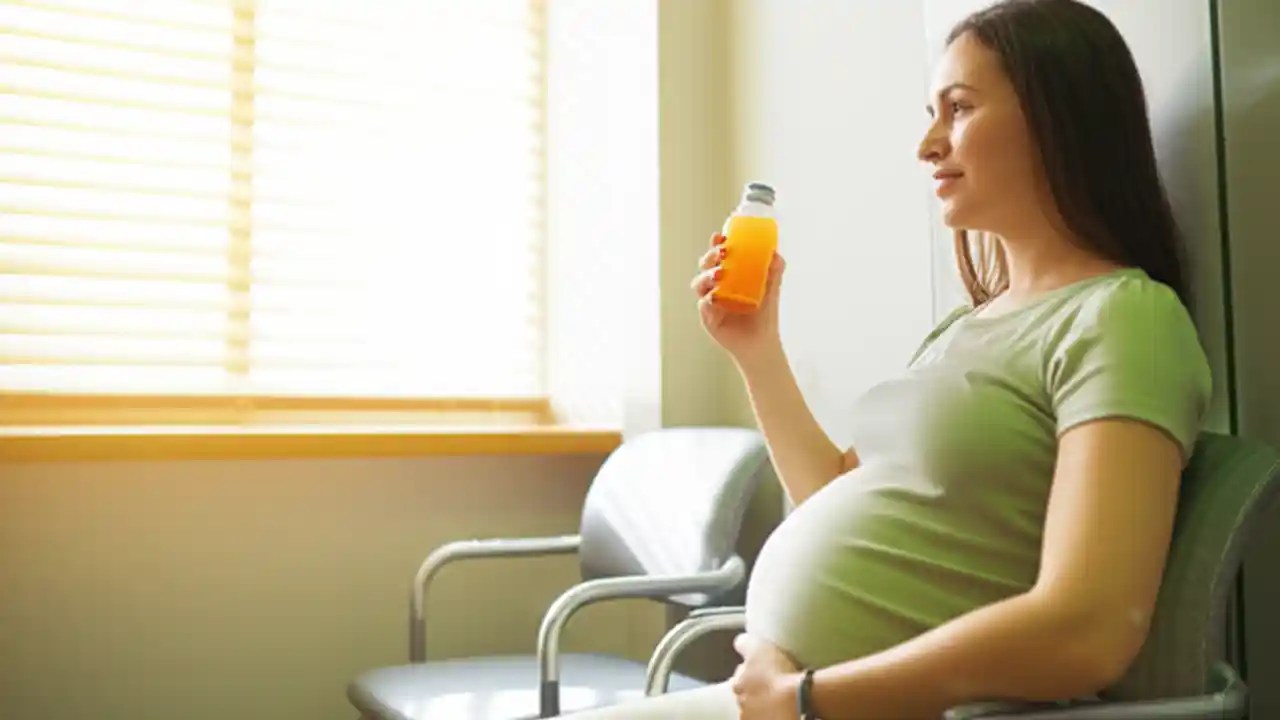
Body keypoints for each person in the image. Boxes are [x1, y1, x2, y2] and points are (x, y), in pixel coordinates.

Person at [560, 0, 1212, 717]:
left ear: (1061, 118)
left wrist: (808, 696)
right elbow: (836, 496)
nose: (927, 144)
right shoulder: (966, 328)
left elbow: (1090, 627)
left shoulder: (1123, 317)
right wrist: (757, 352)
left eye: (958, 109)